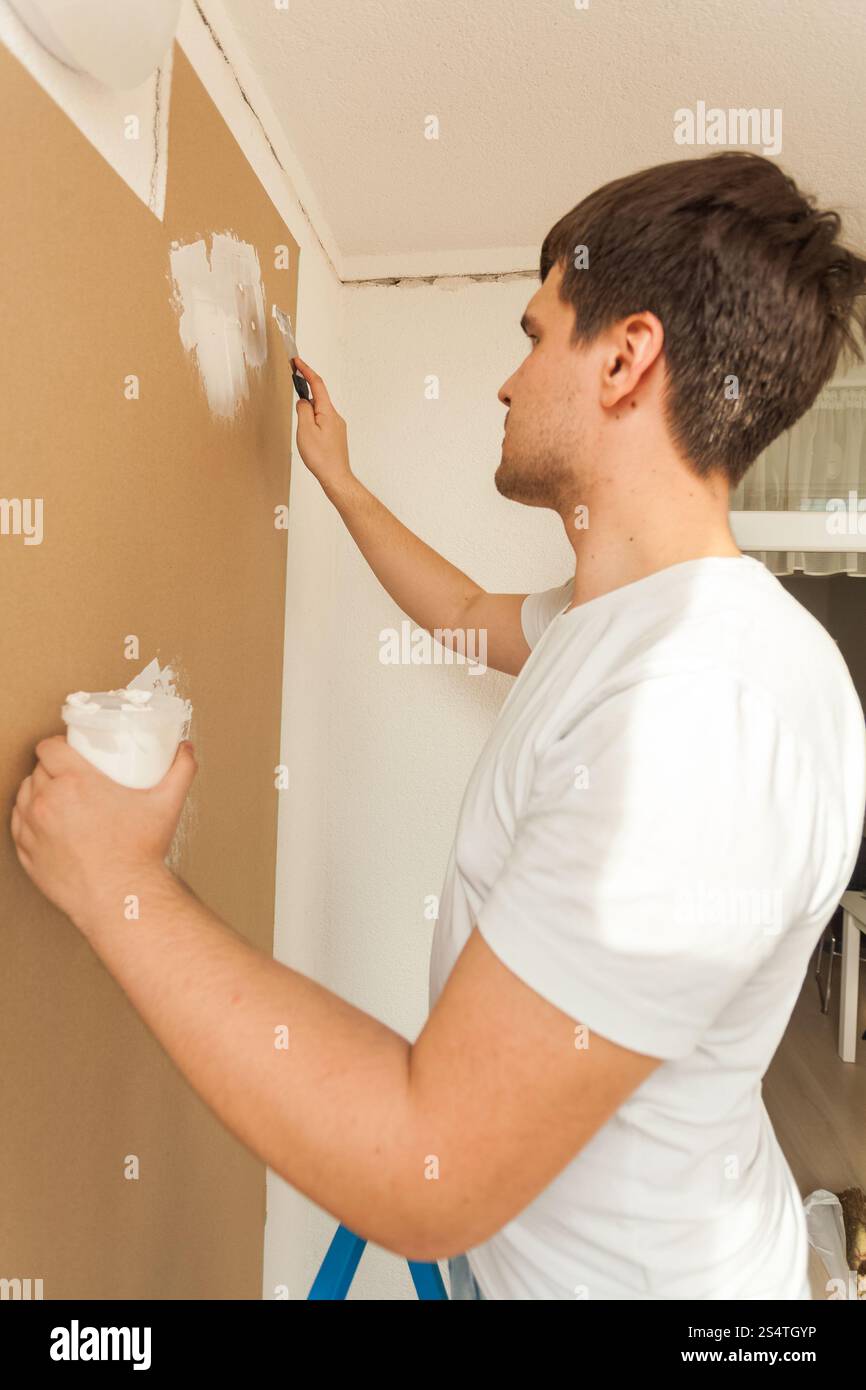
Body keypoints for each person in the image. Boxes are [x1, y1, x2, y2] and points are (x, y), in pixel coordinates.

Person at [12, 151, 866, 1300]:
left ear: (624, 358)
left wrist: (119, 883)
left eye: (533, 336)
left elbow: (430, 1167)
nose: (507, 384)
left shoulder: (704, 708)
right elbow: (463, 613)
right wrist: (341, 480)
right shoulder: (618, 622)